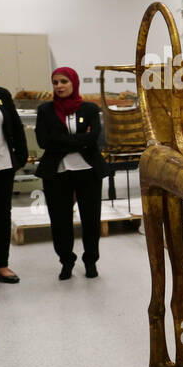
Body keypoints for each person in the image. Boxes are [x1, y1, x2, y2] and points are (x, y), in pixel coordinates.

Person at [35, 66, 107, 280]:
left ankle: (91, 261)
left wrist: (60, 139)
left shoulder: (90, 109)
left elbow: (93, 138)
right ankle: (66, 261)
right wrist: (78, 141)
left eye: (64, 81)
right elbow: (43, 141)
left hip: (88, 171)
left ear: (74, 83)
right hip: (57, 172)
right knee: (60, 220)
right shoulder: (45, 110)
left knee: (91, 219)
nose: (59, 86)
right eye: (55, 82)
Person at [0, 53, 29, 283]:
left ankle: (1, 265)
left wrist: (20, 158)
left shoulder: (1, 95)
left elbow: (15, 125)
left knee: (1, 218)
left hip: (1, 167)